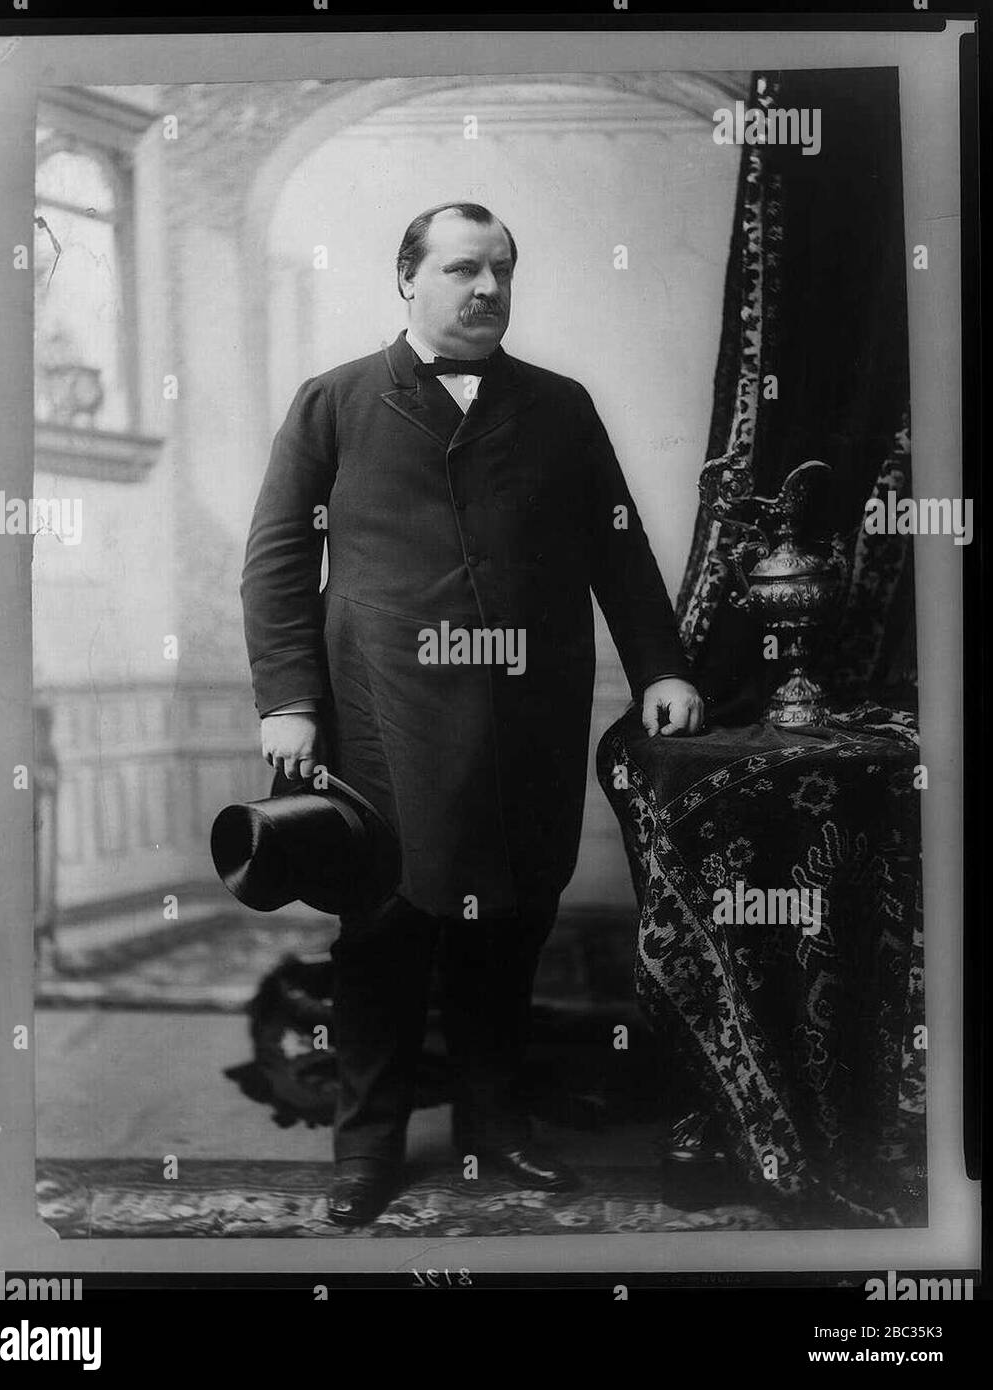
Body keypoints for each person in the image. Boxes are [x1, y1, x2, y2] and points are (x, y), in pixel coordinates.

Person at [241, 201, 704, 1225]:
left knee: (509, 922)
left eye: (499, 270)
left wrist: (660, 668)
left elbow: (616, 547)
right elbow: (275, 558)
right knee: (382, 930)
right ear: (406, 279)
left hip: (524, 714)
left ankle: (499, 1129)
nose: (485, 288)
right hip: (377, 716)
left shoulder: (559, 406)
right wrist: (287, 700)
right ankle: (366, 1148)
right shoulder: (333, 401)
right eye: (461, 269)